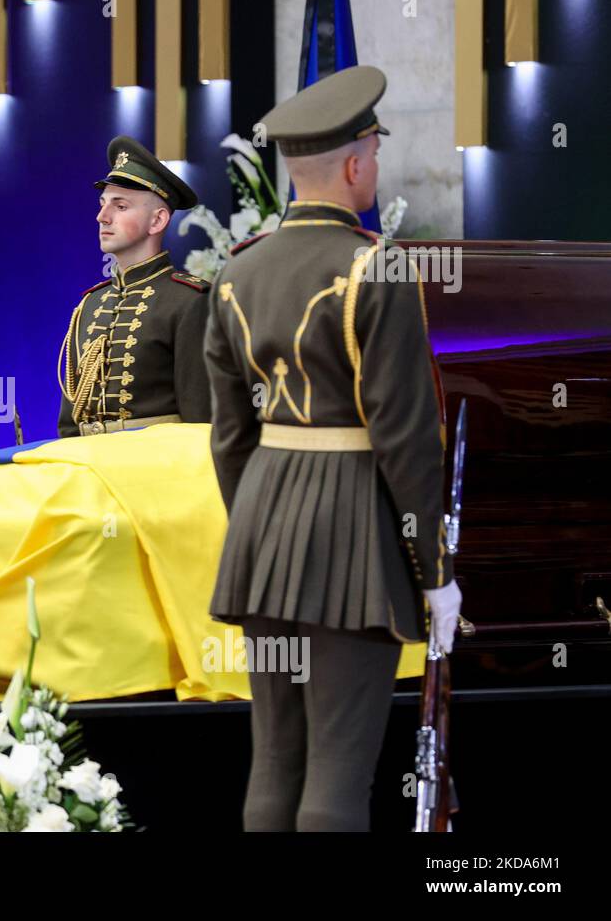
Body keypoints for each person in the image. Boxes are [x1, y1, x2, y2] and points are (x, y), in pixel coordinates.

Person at [202, 66, 462, 831]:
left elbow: (228, 437)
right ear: (354, 165)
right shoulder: (376, 267)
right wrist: (436, 574)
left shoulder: (234, 272)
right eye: (374, 154)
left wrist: (258, 523)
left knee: (276, 758)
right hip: (352, 538)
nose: (375, 168)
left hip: (262, 531)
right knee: (340, 775)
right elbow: (407, 439)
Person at [57, 136, 211, 437]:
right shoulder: (89, 305)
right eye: (103, 205)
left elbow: (202, 422)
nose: (102, 217)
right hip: (90, 471)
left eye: (121, 206)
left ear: (157, 221)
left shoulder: (189, 301)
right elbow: (70, 424)